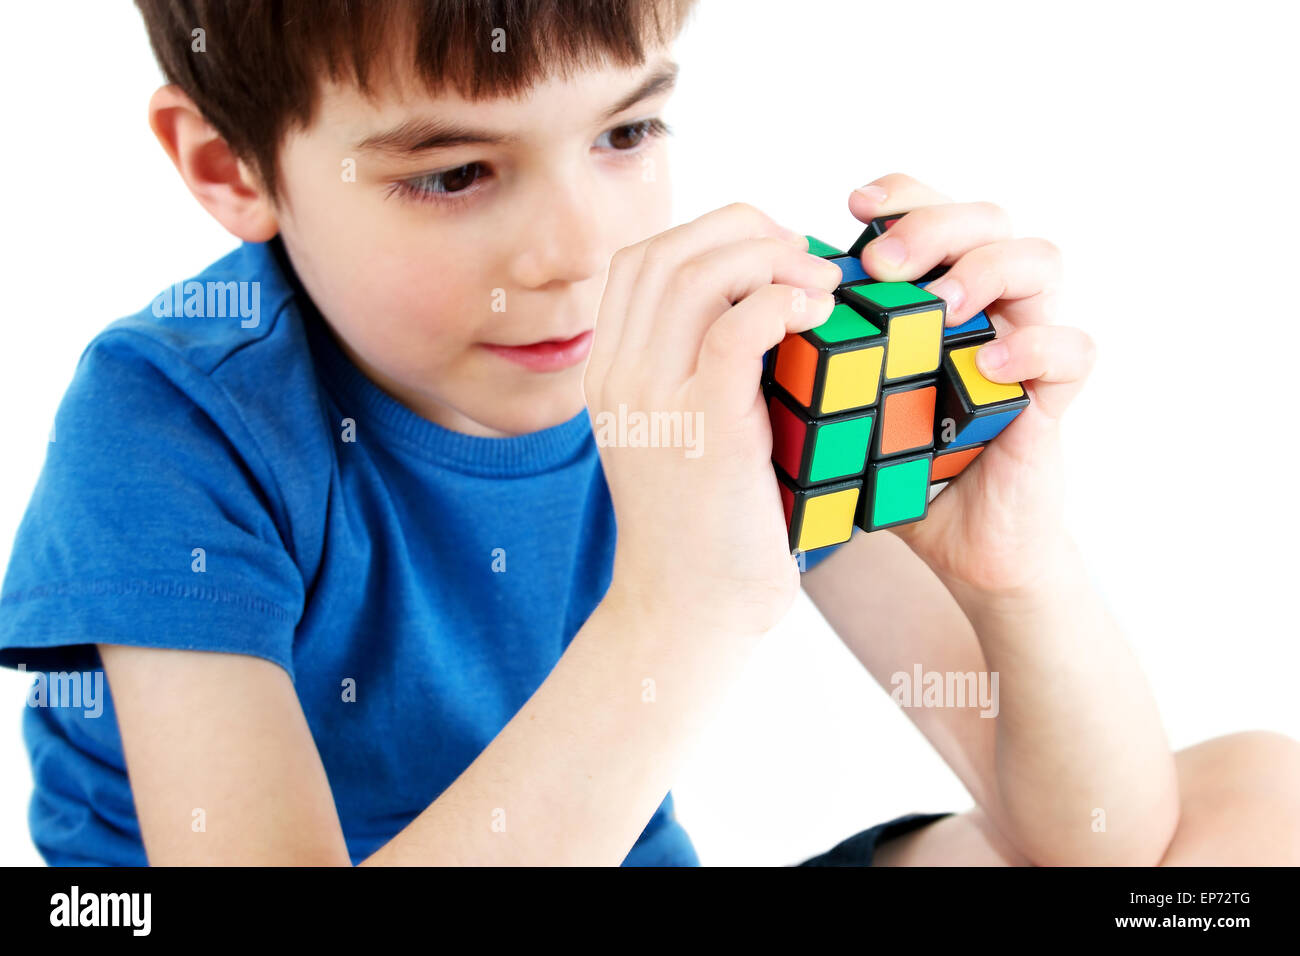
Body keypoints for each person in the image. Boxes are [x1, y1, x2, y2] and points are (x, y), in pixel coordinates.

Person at [1, 0, 1296, 866]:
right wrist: (683, 606)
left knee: (1254, 802)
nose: (582, 254)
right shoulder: (169, 425)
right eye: (454, 173)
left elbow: (1094, 837)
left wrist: (1018, 567)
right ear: (230, 166)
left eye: (626, 131)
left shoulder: (722, 351)